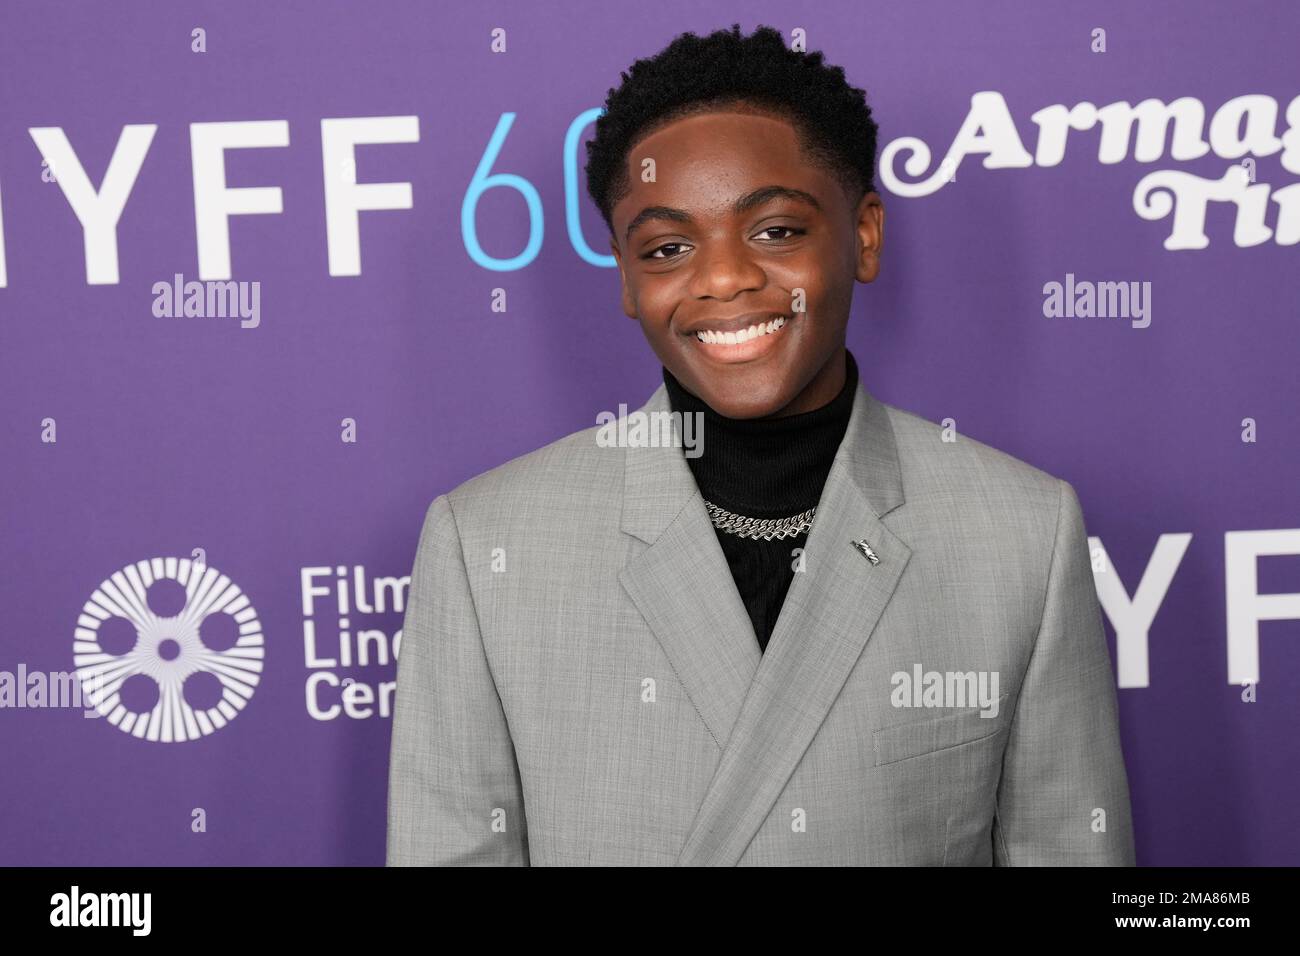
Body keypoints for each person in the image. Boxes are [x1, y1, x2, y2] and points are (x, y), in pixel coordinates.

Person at [386, 23, 1135, 866]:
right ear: (629, 283)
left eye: (775, 231)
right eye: (667, 247)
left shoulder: (1023, 533)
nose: (724, 278)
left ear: (865, 235)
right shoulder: (487, 546)